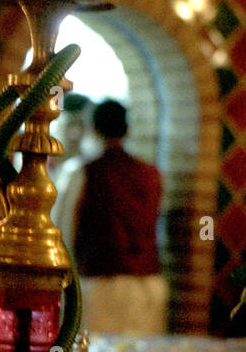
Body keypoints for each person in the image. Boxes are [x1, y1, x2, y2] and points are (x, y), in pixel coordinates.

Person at [61, 99, 167, 335]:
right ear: (128, 129)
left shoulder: (82, 172)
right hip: (148, 285)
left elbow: (66, 231)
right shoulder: (152, 174)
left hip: (99, 285)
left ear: (93, 129)